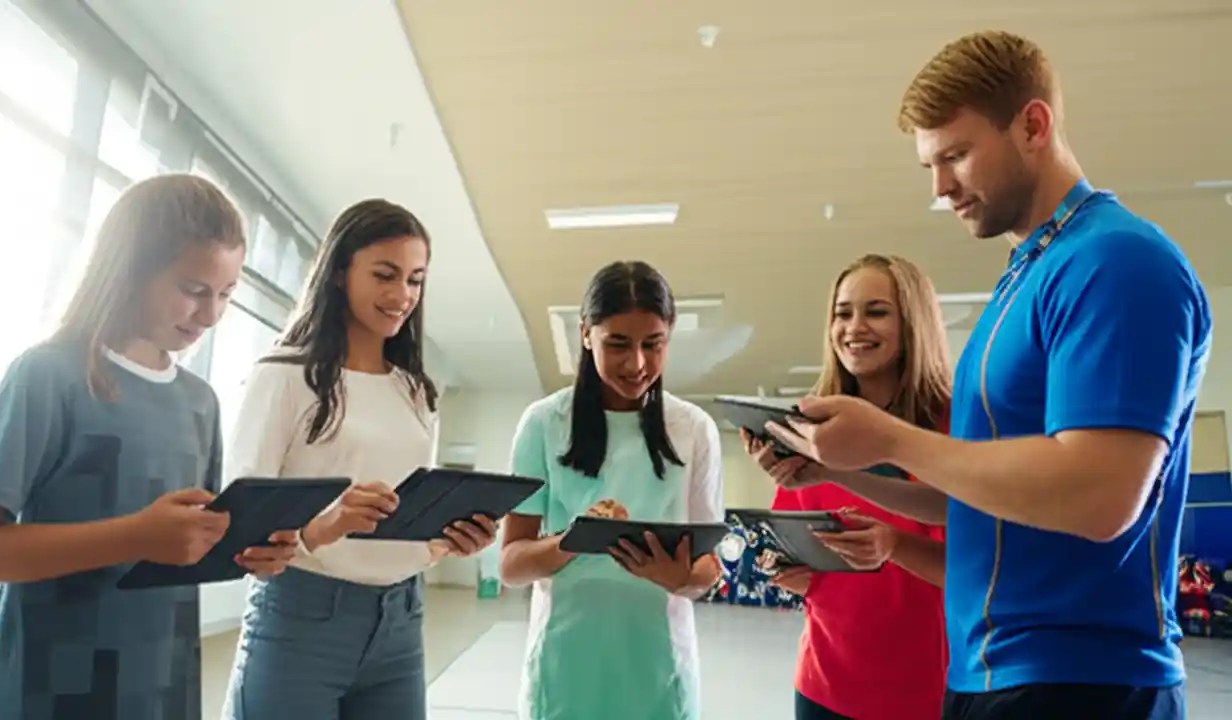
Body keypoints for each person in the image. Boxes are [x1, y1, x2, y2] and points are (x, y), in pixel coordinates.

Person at [767, 30, 1211, 720]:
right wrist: (834, 469)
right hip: (991, 673)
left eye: (957, 155)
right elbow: (979, 506)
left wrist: (891, 440)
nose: (942, 187)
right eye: (929, 166)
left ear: (1033, 125)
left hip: (1082, 679)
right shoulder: (1026, 277)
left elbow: (1100, 495)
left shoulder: (1115, 263)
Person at [0, 174, 298, 720]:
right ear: (132, 270)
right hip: (41, 693)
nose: (210, 316)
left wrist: (249, 552)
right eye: (193, 290)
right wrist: (135, 535)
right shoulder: (48, 375)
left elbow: (184, 546)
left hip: (158, 689)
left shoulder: (199, 402)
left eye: (226, 295)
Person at [220, 199, 497, 720]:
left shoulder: (415, 392)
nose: (402, 296)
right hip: (301, 617)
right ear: (340, 272)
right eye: (385, 275)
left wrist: (449, 539)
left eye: (415, 280)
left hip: (402, 618)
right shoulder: (281, 376)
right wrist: (326, 525)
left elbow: (407, 527)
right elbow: (240, 531)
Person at [499, 261, 724, 720]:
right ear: (585, 334)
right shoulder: (543, 424)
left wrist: (678, 578)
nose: (636, 363)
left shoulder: (694, 429)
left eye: (653, 345)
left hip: (659, 669)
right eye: (617, 343)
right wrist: (574, 540)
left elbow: (709, 567)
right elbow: (511, 565)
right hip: (565, 670)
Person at [743, 253, 950, 720]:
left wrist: (892, 546)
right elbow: (795, 545)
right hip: (825, 686)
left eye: (876, 311)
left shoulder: (956, 425)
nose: (854, 327)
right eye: (843, 313)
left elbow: (979, 571)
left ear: (913, 323)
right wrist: (790, 573)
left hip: (928, 692)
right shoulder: (807, 430)